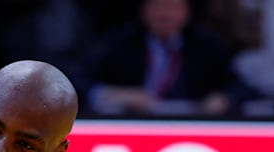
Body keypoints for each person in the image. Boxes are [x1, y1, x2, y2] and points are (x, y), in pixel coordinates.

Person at [83, 0, 242, 115]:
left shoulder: (208, 46)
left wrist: (223, 98)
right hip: (134, 121)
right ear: (144, 10)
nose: (165, 15)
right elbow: (82, 83)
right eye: (158, 6)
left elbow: (239, 86)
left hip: (192, 122)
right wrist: (116, 94)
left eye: (173, 7)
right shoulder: (118, 44)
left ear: (187, 12)